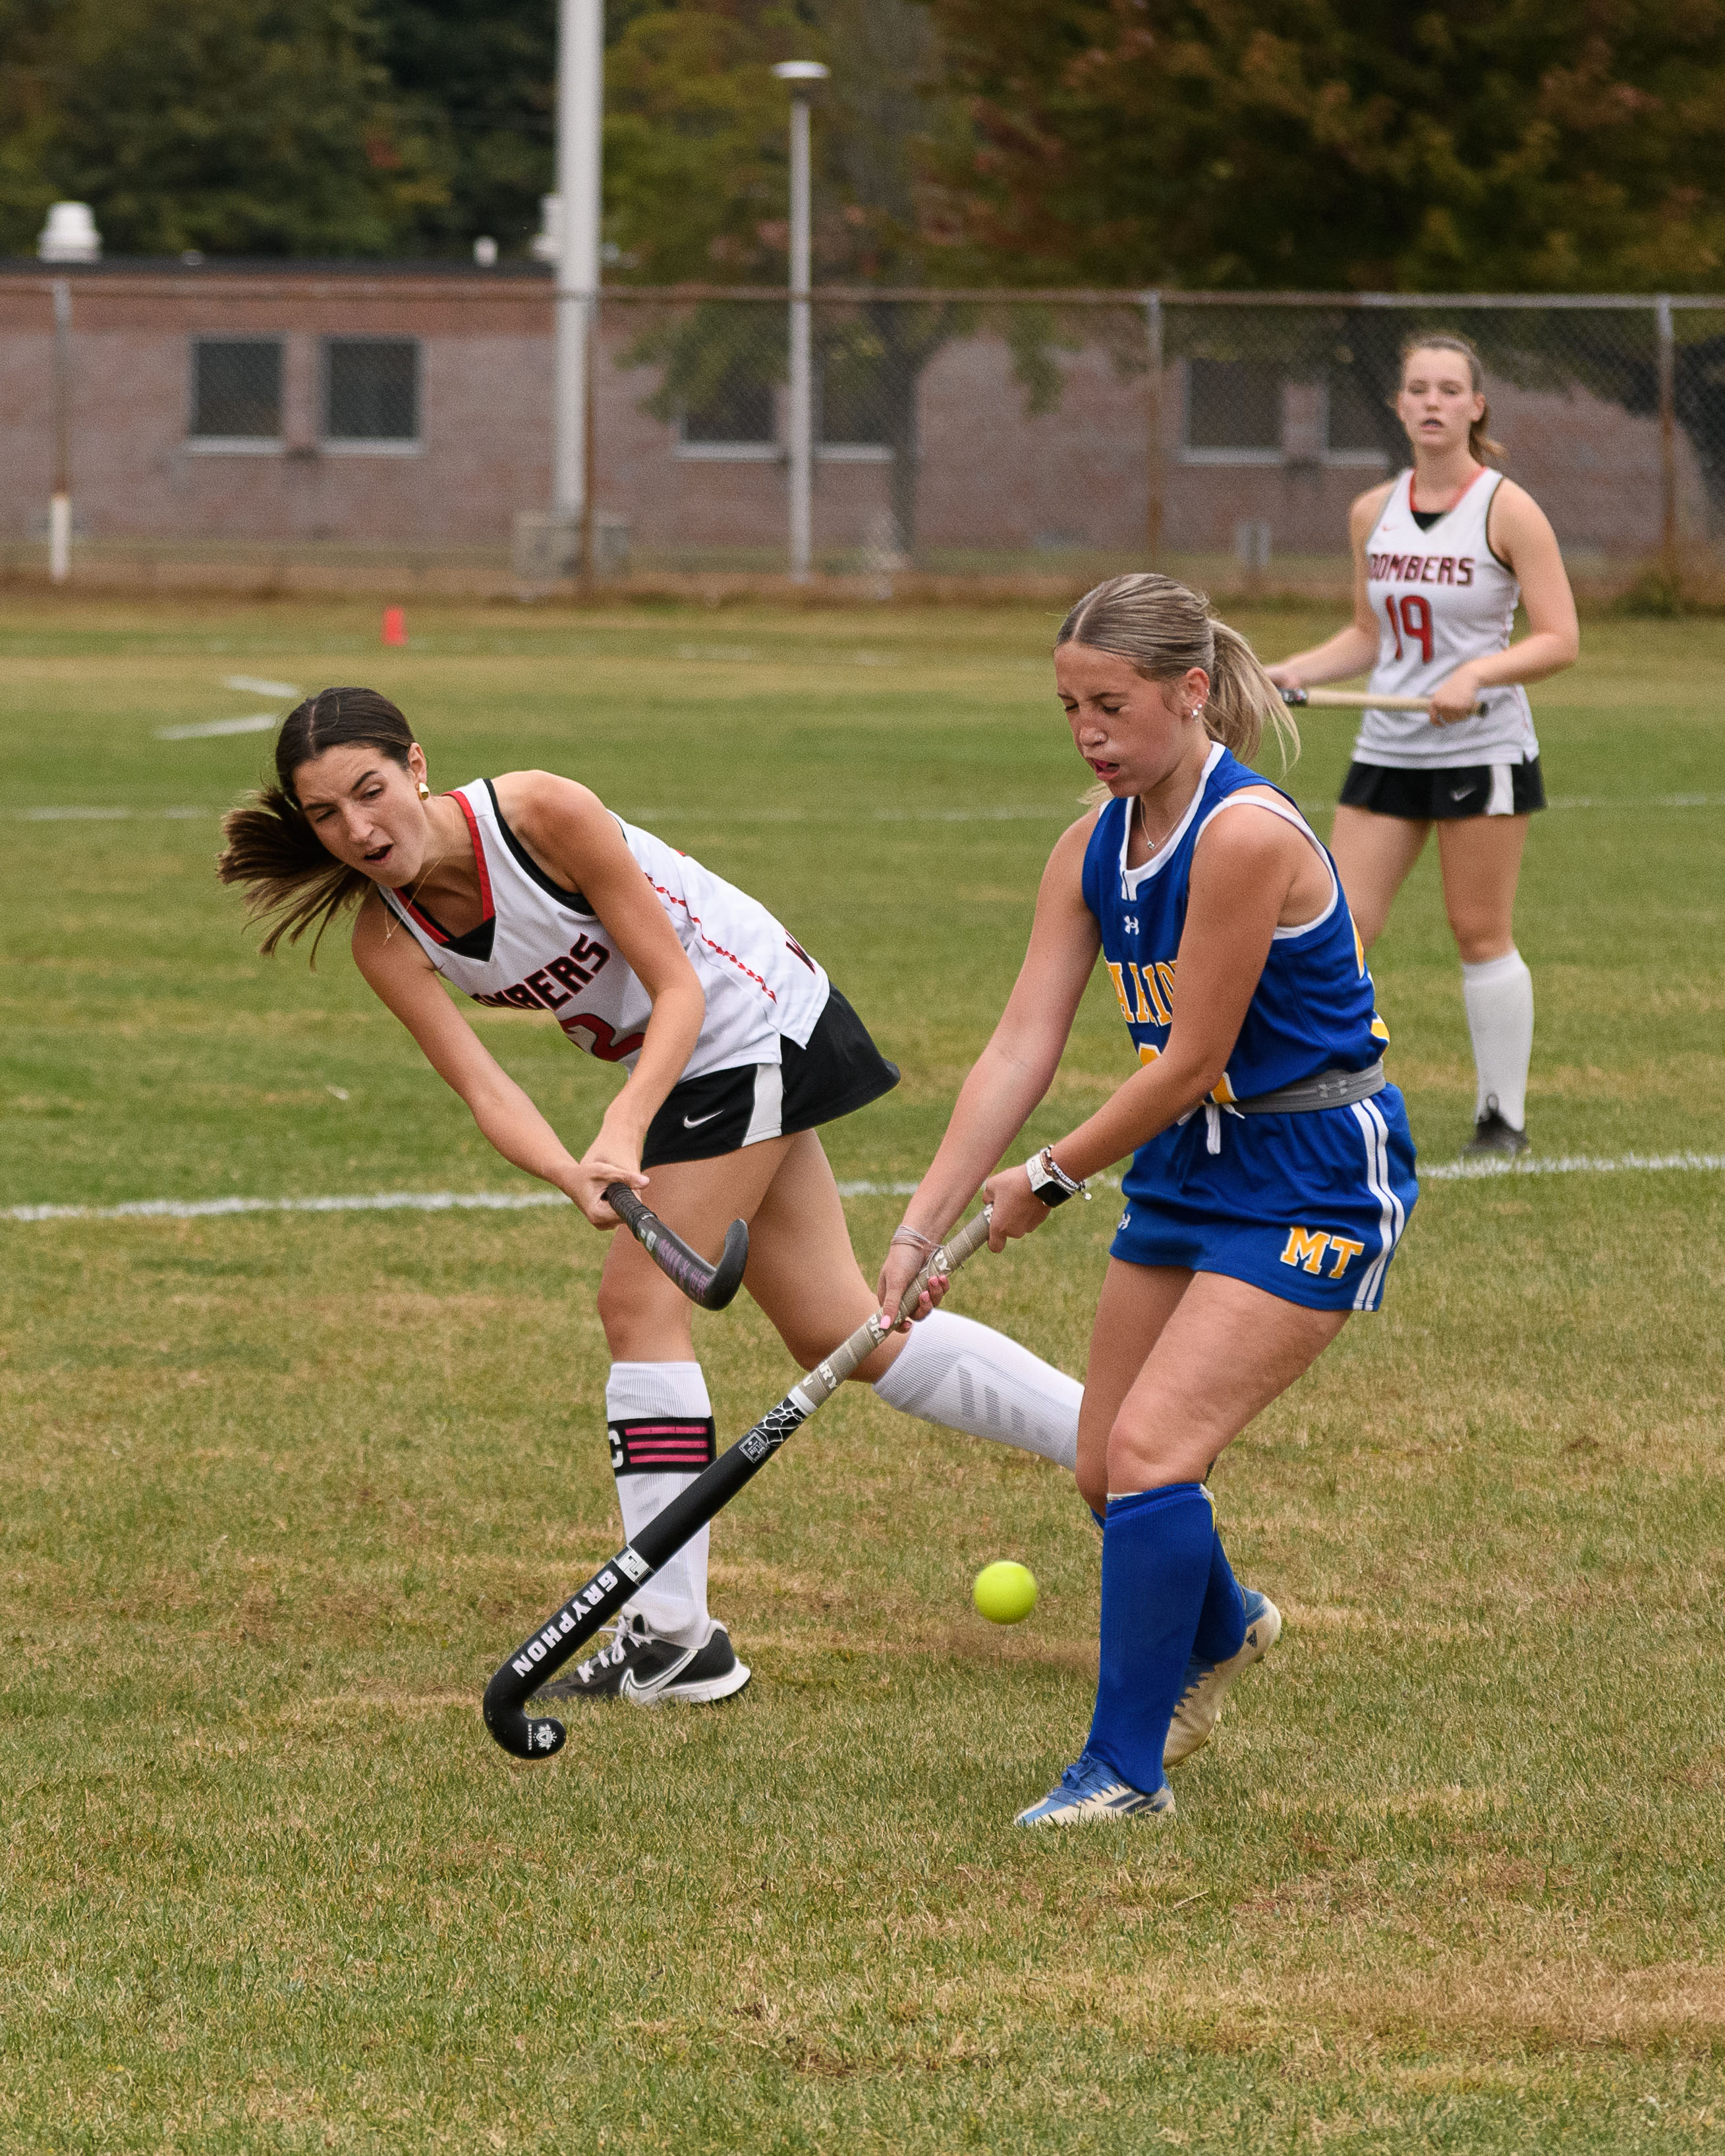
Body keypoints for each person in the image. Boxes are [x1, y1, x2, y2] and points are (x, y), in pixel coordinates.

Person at [217, 688, 1083, 1707]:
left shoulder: (538, 813)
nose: (358, 830)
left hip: (747, 1021)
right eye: (325, 815)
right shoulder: (389, 935)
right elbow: (486, 1087)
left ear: (415, 765)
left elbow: (677, 987)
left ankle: (672, 1640)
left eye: (369, 792)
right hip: (692, 1072)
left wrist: (625, 1123)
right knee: (844, 1333)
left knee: (637, 1307)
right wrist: (569, 1171)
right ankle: (1116, 1444)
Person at [877, 574, 1417, 1828]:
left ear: (1188, 690)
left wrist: (1051, 1176)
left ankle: (1122, 1771)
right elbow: (1020, 1041)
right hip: (1187, 1165)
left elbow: (1186, 1059)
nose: (1086, 732)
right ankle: (1224, 1626)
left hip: (1309, 1167)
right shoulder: (1089, 845)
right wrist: (921, 1220)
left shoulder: (1244, 836)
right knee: (1099, 1467)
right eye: (1067, 706)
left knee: (1156, 1453)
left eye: (1108, 705)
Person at [1267, 332, 1579, 1156]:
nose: (1432, 402)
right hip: (1388, 747)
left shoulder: (1504, 508)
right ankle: (1320, 1105)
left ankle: (1499, 1119)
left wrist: (1477, 674)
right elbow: (1368, 634)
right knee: (1337, 930)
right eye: (1418, 389)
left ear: (1475, 405)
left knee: (1477, 930)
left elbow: (1557, 639)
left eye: (1449, 389)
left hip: (1483, 749)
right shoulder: (1372, 511)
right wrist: (1287, 670)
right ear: (1398, 404)